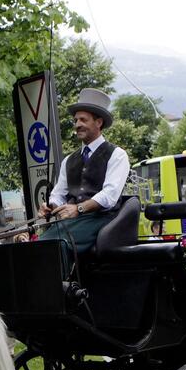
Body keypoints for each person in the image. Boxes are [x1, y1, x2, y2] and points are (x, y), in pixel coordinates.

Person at [37, 88, 131, 263]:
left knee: (56, 245)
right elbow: (59, 193)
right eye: (75, 120)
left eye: (83, 120)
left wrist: (79, 208)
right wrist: (51, 205)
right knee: (39, 245)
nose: (77, 124)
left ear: (99, 122)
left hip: (102, 220)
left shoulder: (117, 155)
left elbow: (109, 196)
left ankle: (62, 289)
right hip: (72, 221)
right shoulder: (69, 160)